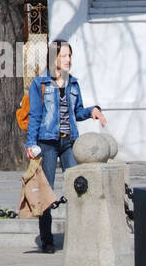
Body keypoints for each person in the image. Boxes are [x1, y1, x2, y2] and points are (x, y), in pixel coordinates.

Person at [24, 39, 106, 252]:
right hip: (47, 143)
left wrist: (92, 111)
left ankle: (82, 235)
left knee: (79, 186)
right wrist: (31, 143)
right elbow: (34, 115)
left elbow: (77, 112)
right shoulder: (40, 83)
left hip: (69, 142)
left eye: (70, 55)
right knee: (47, 192)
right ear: (54, 58)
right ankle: (47, 239)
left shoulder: (74, 83)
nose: (68, 60)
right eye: (63, 56)